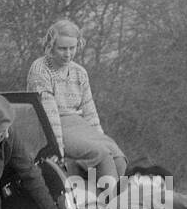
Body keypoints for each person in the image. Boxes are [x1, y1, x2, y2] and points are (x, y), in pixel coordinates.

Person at [27, 18, 127, 185]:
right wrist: (56, 150)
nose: (68, 54)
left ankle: (112, 198)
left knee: (117, 155)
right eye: (62, 48)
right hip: (53, 127)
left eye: (72, 48)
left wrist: (99, 136)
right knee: (100, 153)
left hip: (80, 126)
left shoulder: (79, 72)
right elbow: (49, 116)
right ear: (51, 45)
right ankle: (114, 203)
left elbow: (90, 112)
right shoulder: (40, 69)